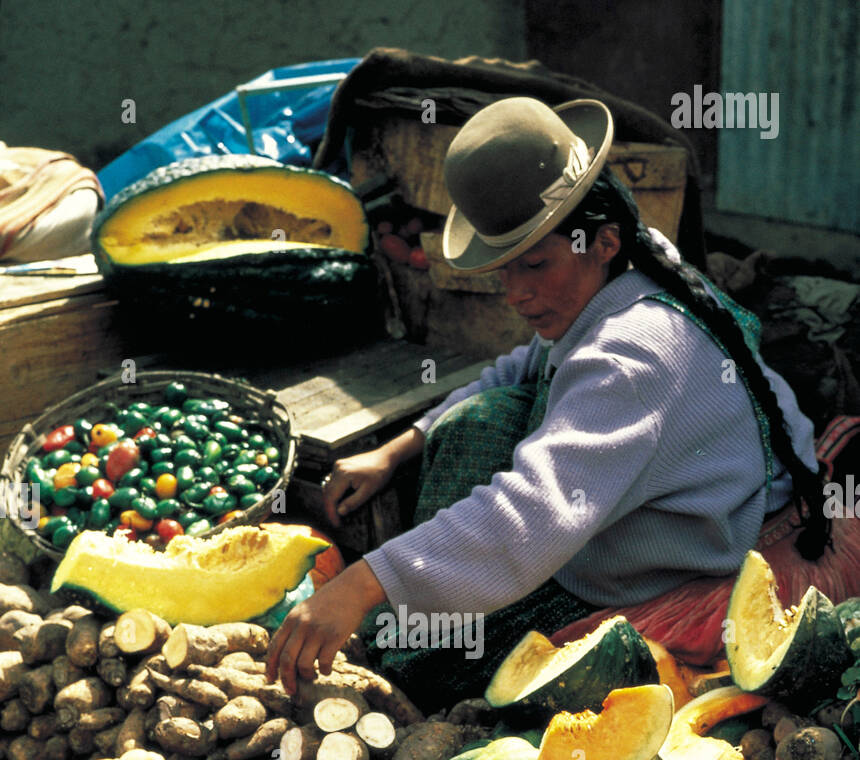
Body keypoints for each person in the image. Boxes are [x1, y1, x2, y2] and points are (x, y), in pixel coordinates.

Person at [267, 97, 826, 705]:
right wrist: (397, 450)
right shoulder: (630, 265)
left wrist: (365, 582)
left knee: (427, 669)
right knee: (476, 419)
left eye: (534, 265)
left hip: (693, 544)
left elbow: (528, 516)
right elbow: (522, 364)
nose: (518, 295)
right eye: (505, 271)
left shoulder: (628, 359)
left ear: (603, 241)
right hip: (681, 492)